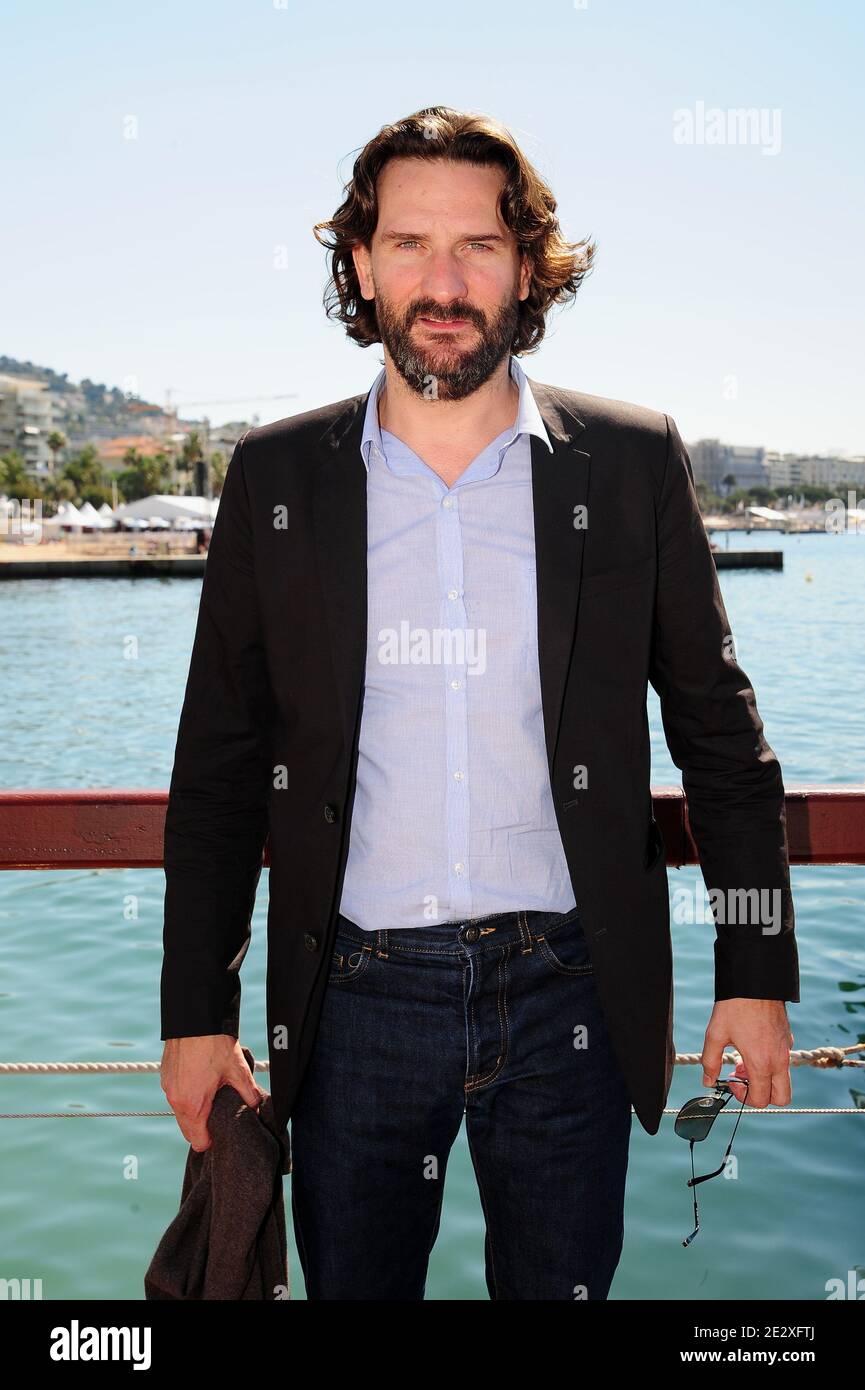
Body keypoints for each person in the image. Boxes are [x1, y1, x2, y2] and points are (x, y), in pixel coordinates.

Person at [159, 106, 798, 1301]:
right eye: (407, 244)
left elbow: (722, 741)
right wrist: (195, 1012)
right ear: (360, 264)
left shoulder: (633, 463)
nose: (441, 282)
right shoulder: (277, 479)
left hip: (573, 997)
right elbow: (218, 771)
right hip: (351, 1008)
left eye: (479, 247)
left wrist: (754, 973)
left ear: (527, 267)